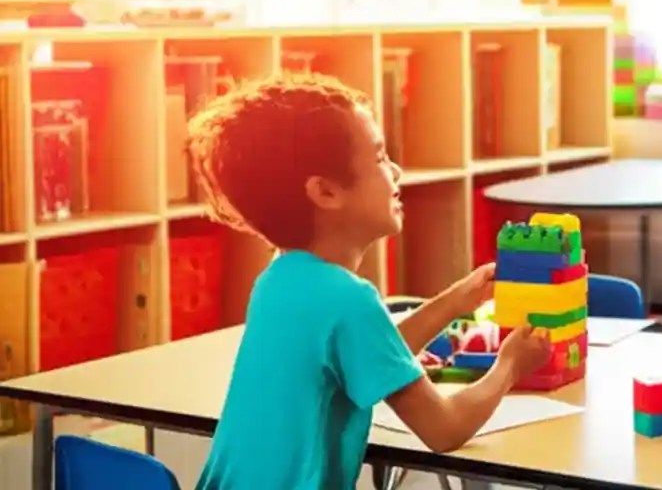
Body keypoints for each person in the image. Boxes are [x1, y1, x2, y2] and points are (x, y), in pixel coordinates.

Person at [187, 74, 551, 490]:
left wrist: (458, 300)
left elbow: (371, 355)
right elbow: (444, 429)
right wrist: (510, 365)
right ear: (325, 192)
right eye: (379, 158)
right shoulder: (347, 299)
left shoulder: (280, 278)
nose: (395, 170)